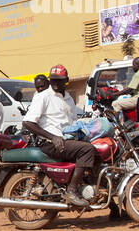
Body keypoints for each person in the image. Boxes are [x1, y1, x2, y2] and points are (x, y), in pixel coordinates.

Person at [23, 65, 97, 207]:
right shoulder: (43, 96)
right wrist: (53, 137)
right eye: (53, 80)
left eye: (59, 80)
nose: (55, 83)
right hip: (50, 143)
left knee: (99, 149)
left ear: (66, 81)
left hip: (66, 140)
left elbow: (73, 123)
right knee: (86, 150)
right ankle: (72, 190)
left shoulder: (68, 98)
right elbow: (27, 123)